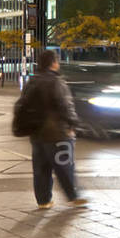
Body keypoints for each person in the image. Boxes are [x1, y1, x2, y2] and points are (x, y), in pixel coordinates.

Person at [16, 50, 87, 210]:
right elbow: (65, 106)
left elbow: (23, 106)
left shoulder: (31, 82)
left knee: (41, 168)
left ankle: (43, 200)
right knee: (64, 165)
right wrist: (74, 124)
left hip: (36, 133)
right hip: (57, 132)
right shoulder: (56, 81)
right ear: (53, 63)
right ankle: (74, 196)